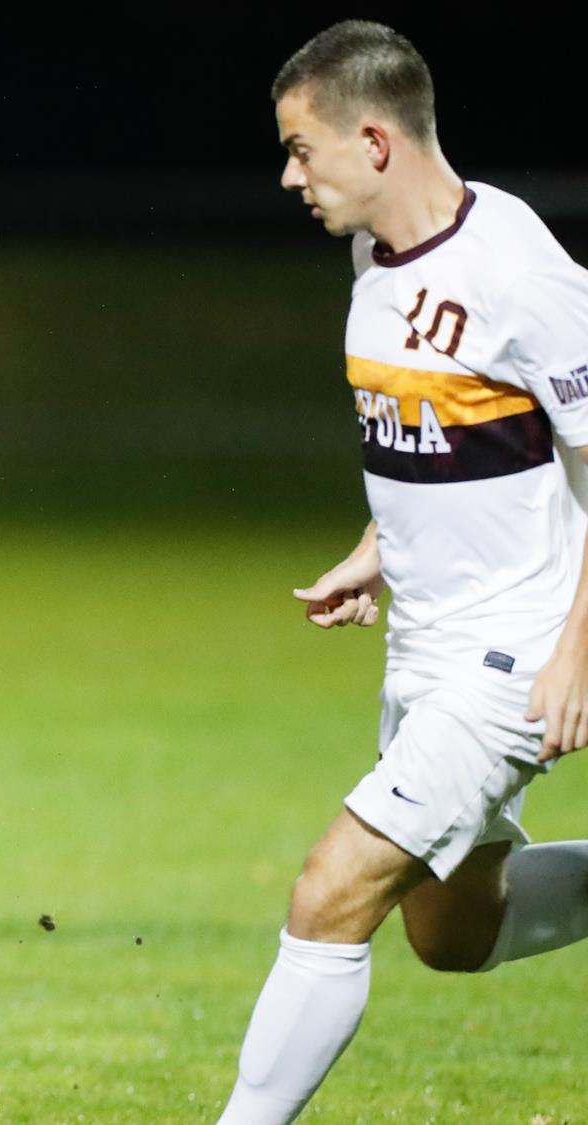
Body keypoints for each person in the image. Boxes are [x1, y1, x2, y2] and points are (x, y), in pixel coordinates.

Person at [218, 21, 588, 1123]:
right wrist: (375, 552)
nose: (288, 176)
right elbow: (433, 436)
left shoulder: (520, 275)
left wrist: (576, 651)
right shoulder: (369, 259)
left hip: (514, 648)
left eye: (300, 149)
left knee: (329, 891)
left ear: (372, 141)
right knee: (448, 932)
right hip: (423, 644)